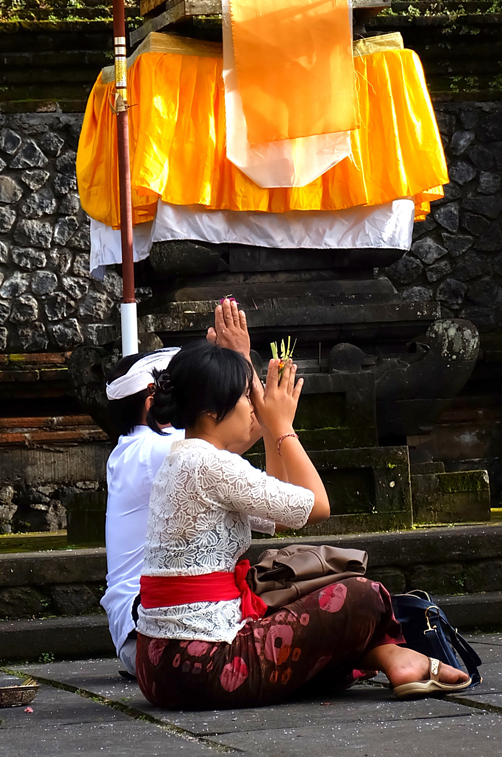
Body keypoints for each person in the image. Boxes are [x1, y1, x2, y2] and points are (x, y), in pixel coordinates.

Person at [135, 340, 471, 709]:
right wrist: (282, 428)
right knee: (363, 596)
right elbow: (318, 506)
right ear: (214, 410)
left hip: (159, 668)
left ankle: (386, 658)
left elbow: (281, 517)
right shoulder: (212, 464)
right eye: (248, 399)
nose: (254, 410)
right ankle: (388, 655)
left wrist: (267, 428)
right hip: (205, 666)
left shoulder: (183, 460)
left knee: (285, 595)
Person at [101, 299, 251, 676]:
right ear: (155, 399)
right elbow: (235, 438)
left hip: (139, 633)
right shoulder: (155, 450)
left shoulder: (134, 449)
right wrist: (242, 366)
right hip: (156, 631)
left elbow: (230, 439)